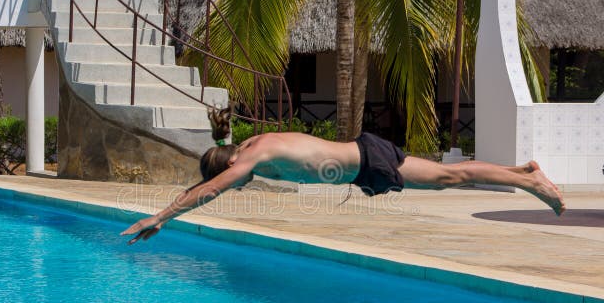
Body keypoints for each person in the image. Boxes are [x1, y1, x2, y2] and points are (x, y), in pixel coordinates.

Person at [121, 106, 565, 244]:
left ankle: (532, 182)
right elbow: (215, 173)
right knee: (452, 174)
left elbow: (210, 189)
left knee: (453, 178)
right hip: (362, 159)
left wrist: (161, 217)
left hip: (366, 161)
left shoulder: (248, 162)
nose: (241, 182)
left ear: (230, 167)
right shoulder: (253, 144)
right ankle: (521, 170)